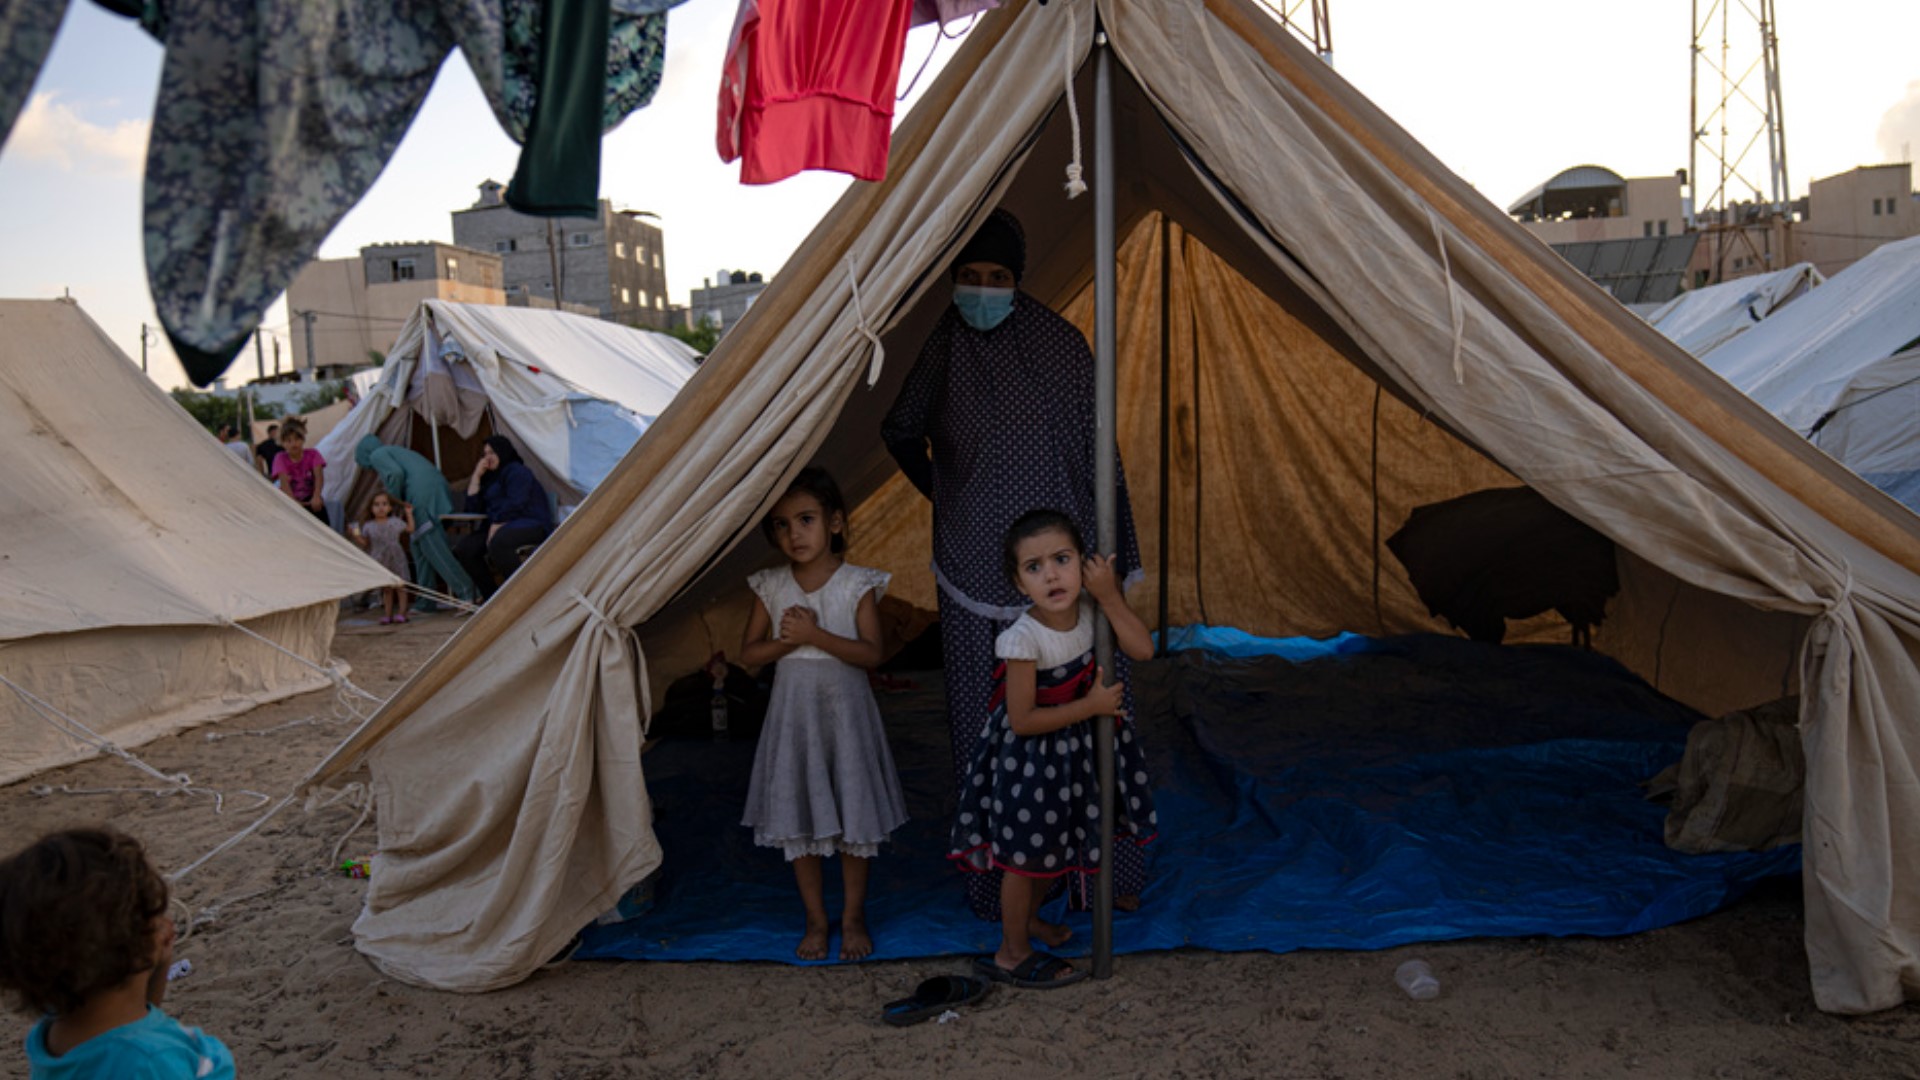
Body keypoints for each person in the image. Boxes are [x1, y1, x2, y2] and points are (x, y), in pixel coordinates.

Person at [881, 207, 1151, 920]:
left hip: (1066, 570)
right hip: (975, 567)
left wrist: (1110, 557)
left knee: (1097, 720)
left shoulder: (1061, 346)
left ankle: (1105, 871)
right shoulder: (942, 346)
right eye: (968, 277)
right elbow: (900, 429)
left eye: (996, 278)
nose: (981, 290)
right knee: (989, 724)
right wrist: (946, 494)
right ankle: (1005, 882)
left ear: (1017, 281)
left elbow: (1102, 454)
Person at [950, 510, 1158, 989]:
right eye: (1034, 567)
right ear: (1020, 584)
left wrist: (1108, 595)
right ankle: (1011, 951)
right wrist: (1090, 707)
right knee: (1024, 859)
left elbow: (1143, 649)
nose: (1051, 575)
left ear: (1082, 565)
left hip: (1074, 754)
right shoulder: (1022, 638)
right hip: (1032, 762)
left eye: (1062, 559)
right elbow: (1022, 721)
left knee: (1052, 848)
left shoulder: (1090, 606)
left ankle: (1028, 923)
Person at [739, 467, 907, 962]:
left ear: (834, 522)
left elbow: (872, 654)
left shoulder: (858, 583)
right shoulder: (769, 586)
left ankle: (852, 915)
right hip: (795, 721)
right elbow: (749, 653)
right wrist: (785, 642)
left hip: (845, 720)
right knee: (801, 818)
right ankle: (815, 918)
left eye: (806, 519)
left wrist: (815, 637)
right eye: (782, 525)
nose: (794, 534)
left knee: (854, 818)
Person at [0, 829, 235, 1079]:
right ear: (137, 947)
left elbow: (137, 1015)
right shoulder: (151, 1063)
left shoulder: (56, 1031)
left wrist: (158, 962)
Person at [351, 435, 480, 608]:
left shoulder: (377, 455)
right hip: (432, 491)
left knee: (433, 546)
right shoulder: (396, 451)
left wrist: (393, 503)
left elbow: (395, 474)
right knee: (418, 547)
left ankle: (468, 592)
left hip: (422, 498)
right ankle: (425, 601)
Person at [455, 435, 553, 601]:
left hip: (529, 522)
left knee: (499, 542)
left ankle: (523, 595)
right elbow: (472, 509)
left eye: (492, 452)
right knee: (465, 548)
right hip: (499, 526)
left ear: (503, 451)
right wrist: (476, 477)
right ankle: (492, 597)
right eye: (484, 454)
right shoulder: (489, 478)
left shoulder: (517, 472)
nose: (488, 458)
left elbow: (517, 503)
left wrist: (498, 523)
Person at [352, 491, 414, 624]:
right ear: (371, 508)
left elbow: (410, 529)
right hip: (381, 558)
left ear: (390, 507)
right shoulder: (369, 525)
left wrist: (408, 513)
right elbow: (365, 542)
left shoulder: (395, 522)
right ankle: (388, 614)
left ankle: (402, 612)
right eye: (376, 505)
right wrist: (355, 532)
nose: (381, 508)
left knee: (401, 586)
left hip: (396, 557)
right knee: (386, 589)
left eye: (384, 504)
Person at [270, 416, 327, 523]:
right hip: (290, 500)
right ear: (282, 443)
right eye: (288, 441)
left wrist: (316, 496)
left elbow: (319, 477)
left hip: (311, 500)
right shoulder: (280, 458)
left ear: (303, 439)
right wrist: (294, 502)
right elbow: (284, 483)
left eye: (297, 439)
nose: (293, 444)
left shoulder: (313, 454)